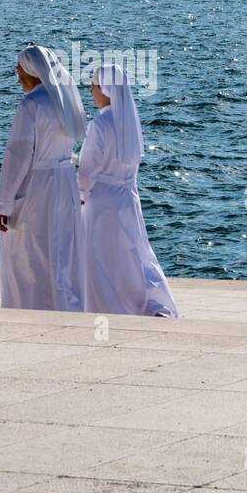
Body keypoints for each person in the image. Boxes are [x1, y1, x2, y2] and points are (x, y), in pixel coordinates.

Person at [77, 63, 179, 317]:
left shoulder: (100, 124)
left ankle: (106, 306)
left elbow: (87, 173)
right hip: (127, 199)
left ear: (107, 90)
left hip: (101, 202)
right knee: (134, 256)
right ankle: (151, 303)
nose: (91, 91)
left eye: (95, 86)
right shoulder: (129, 122)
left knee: (101, 260)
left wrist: (78, 195)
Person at [0, 45, 87, 311]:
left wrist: (3, 204)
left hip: (38, 187)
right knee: (61, 249)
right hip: (65, 184)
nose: (17, 75)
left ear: (31, 71)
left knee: (28, 251)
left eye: (19, 69)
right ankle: (65, 303)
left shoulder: (31, 104)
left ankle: (31, 305)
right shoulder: (64, 102)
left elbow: (18, 155)